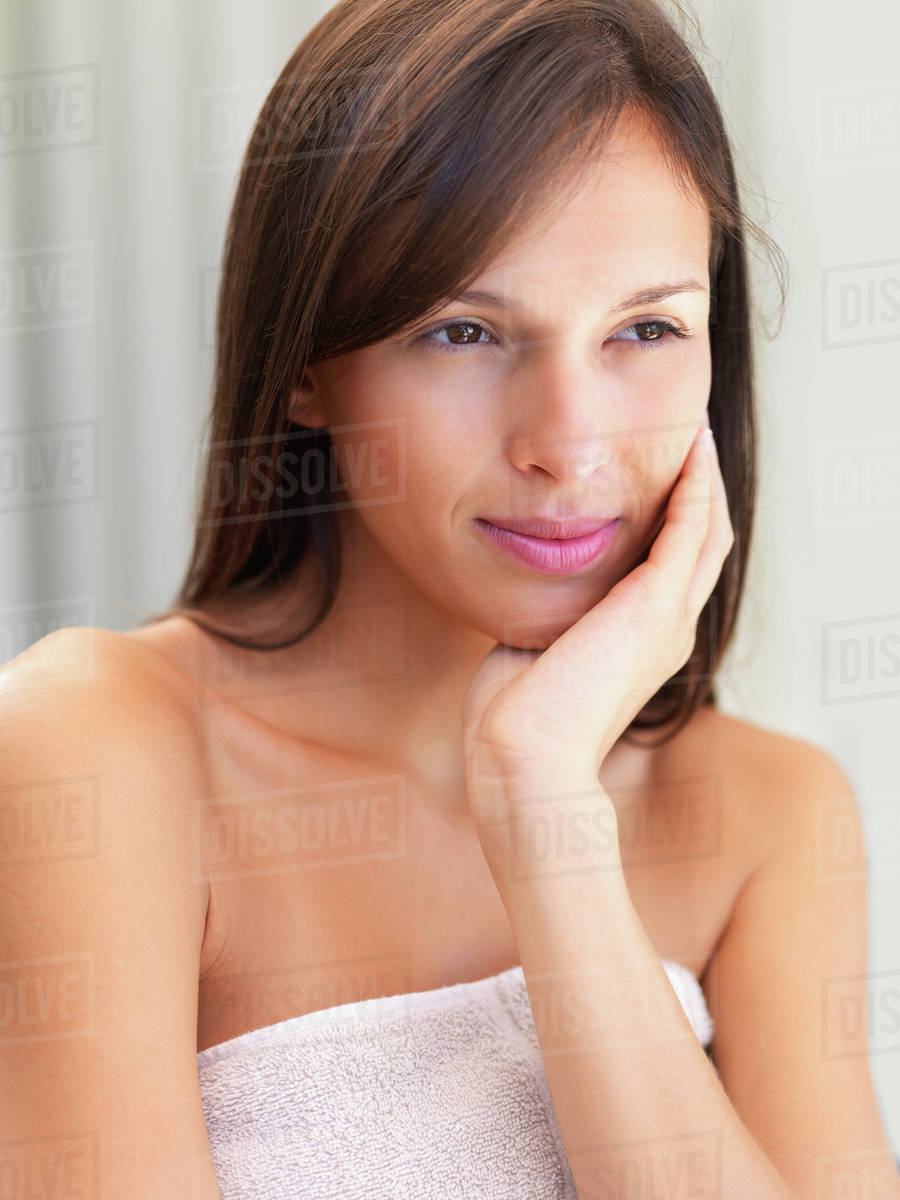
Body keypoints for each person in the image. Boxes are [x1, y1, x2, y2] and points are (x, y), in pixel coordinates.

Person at [2, 0, 897, 1197]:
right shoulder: (100, 748)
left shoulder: (766, 811)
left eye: (645, 328)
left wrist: (543, 808)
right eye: (466, 331)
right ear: (307, 364)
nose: (569, 447)